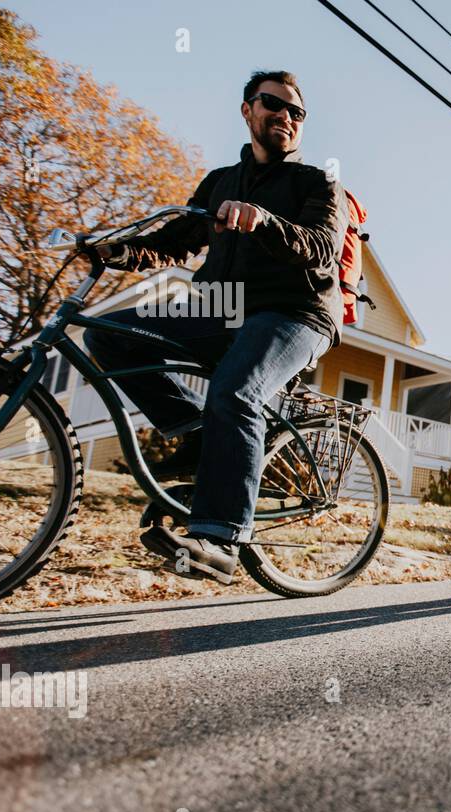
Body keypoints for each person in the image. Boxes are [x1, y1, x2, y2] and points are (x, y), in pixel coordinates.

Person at [84, 70, 347, 584]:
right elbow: (174, 241)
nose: (286, 117)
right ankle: (202, 434)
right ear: (247, 109)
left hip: (294, 311)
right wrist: (115, 250)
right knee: (107, 333)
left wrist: (265, 222)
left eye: (297, 111)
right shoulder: (218, 182)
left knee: (235, 391)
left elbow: (320, 251)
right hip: (223, 306)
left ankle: (221, 537)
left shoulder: (316, 182)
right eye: (273, 104)